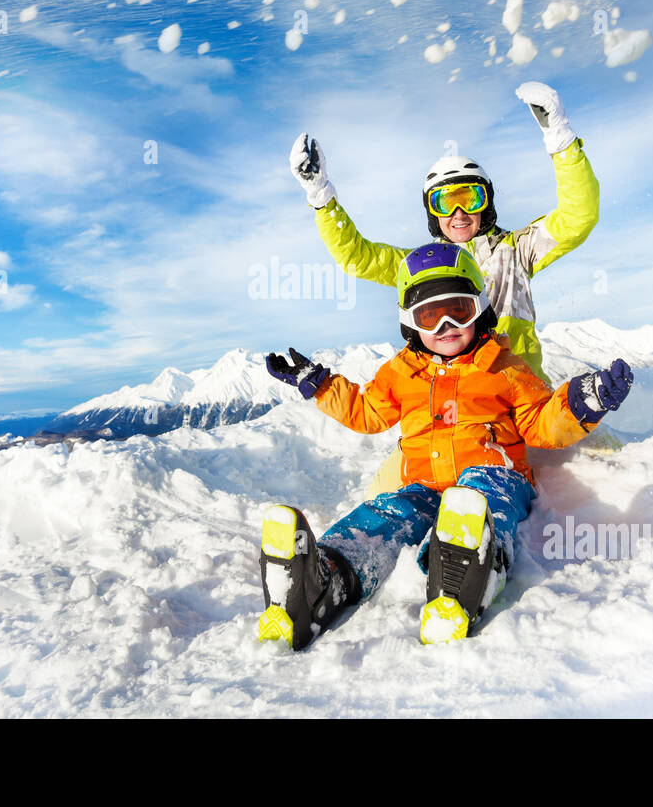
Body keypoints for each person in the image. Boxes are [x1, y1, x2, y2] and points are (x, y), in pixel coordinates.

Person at [259, 242, 633, 649]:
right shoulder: (401, 373)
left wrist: (580, 405)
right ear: (411, 324)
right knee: (387, 512)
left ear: (480, 309)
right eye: (430, 316)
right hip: (424, 486)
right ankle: (324, 577)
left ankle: (468, 567)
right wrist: (322, 386)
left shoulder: (505, 368)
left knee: (479, 492)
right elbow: (367, 413)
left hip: (496, 479)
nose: (445, 327)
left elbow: (541, 425)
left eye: (458, 310)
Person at [289, 82, 605, 498]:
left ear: (486, 203)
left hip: (514, 407)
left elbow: (578, 217)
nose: (458, 214)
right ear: (431, 213)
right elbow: (358, 258)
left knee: (603, 470)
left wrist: (560, 138)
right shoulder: (420, 268)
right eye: (444, 202)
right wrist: (320, 197)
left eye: (469, 198)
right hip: (439, 413)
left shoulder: (515, 250)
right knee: (384, 496)